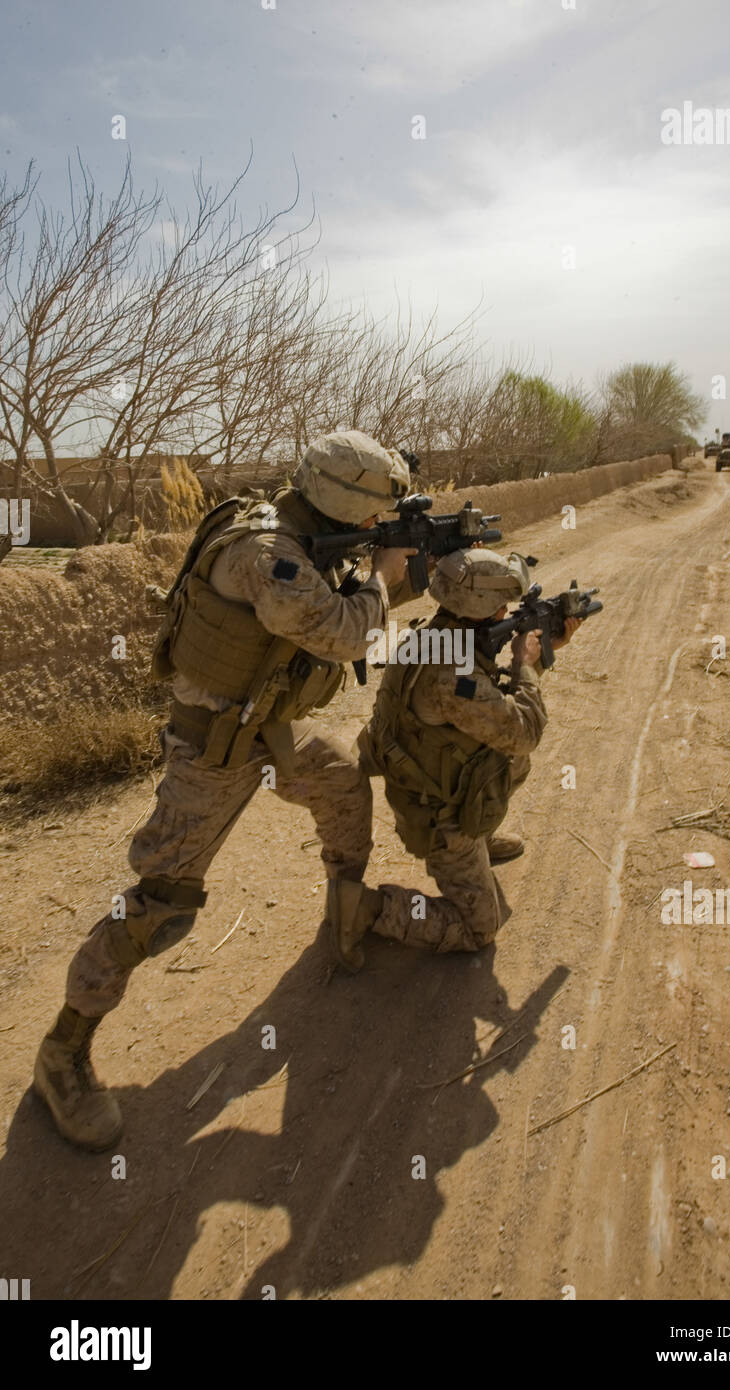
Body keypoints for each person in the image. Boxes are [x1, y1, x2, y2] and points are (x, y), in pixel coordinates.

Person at [34, 430, 416, 1150]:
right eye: (373, 518)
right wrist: (382, 578)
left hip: (265, 732)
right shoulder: (267, 552)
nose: (375, 530)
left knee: (340, 785)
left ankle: (348, 907)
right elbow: (339, 634)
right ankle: (63, 1051)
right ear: (340, 505)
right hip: (213, 755)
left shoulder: (303, 532)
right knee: (159, 907)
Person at [329, 548, 582, 969]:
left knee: (508, 763)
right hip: (437, 817)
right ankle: (364, 908)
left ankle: (478, 838)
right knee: (479, 928)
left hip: (420, 778)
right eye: (501, 605)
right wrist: (528, 667)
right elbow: (523, 733)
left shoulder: (430, 635)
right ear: (481, 608)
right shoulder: (455, 677)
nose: (507, 610)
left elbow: (483, 710)